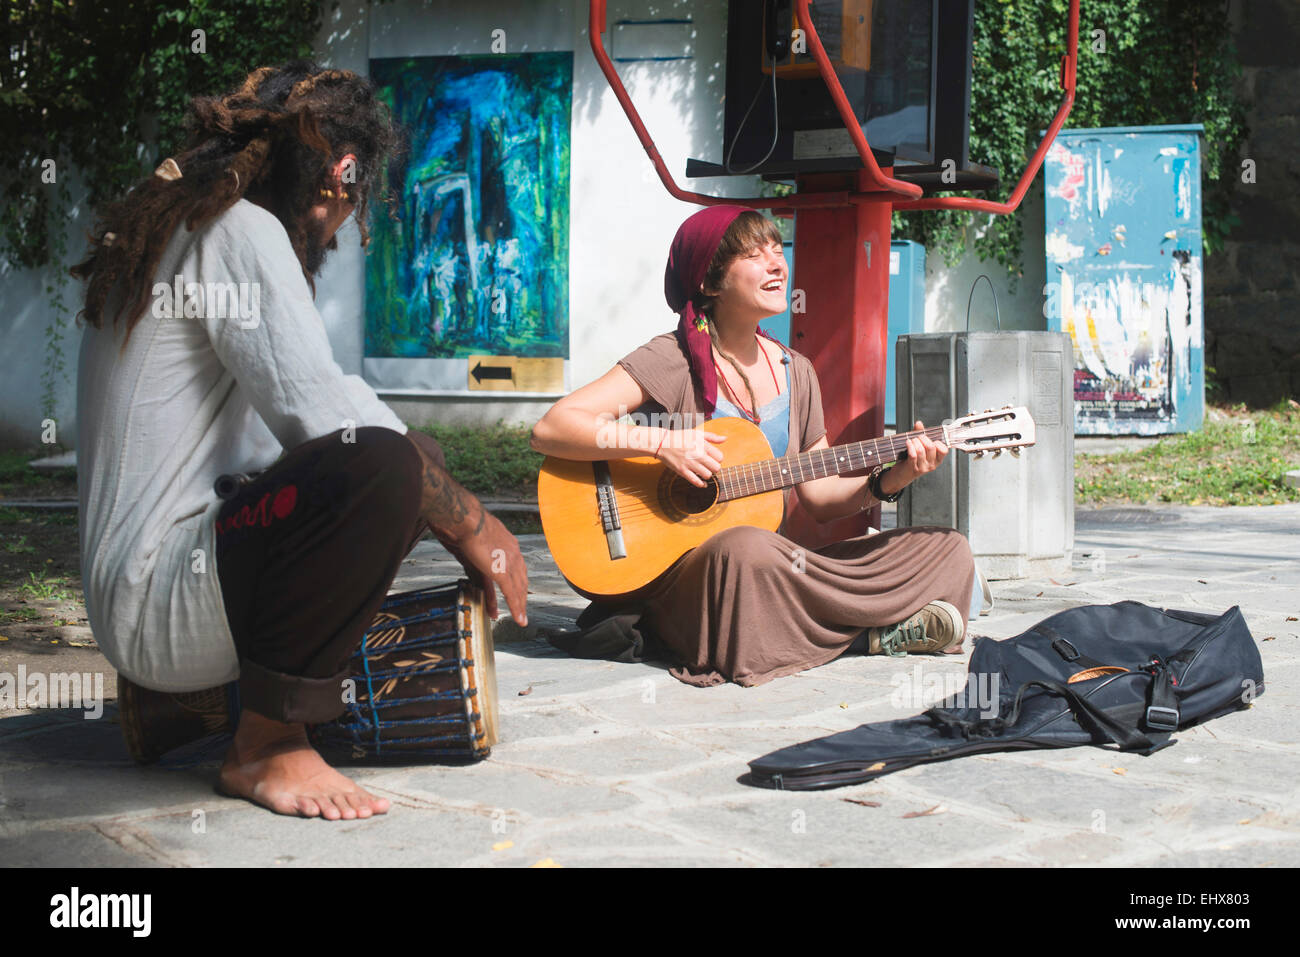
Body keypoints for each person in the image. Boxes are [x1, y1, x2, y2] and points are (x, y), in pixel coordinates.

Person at [72, 62, 528, 820]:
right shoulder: (237, 230)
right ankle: (267, 742)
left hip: (152, 588)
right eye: (356, 199)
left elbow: (326, 406)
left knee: (407, 458)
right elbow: (327, 424)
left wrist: (443, 493)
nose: (347, 227)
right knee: (385, 468)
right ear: (336, 179)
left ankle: (209, 703)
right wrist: (473, 523)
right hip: (158, 599)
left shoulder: (193, 219)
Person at [530, 205, 977, 687]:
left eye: (775, 249)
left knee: (948, 548)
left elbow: (822, 498)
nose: (776, 263)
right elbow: (553, 427)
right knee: (745, 550)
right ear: (709, 283)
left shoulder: (796, 371)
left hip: (766, 570)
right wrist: (660, 442)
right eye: (753, 253)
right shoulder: (672, 357)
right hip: (690, 585)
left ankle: (829, 627)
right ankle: (866, 631)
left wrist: (894, 479)